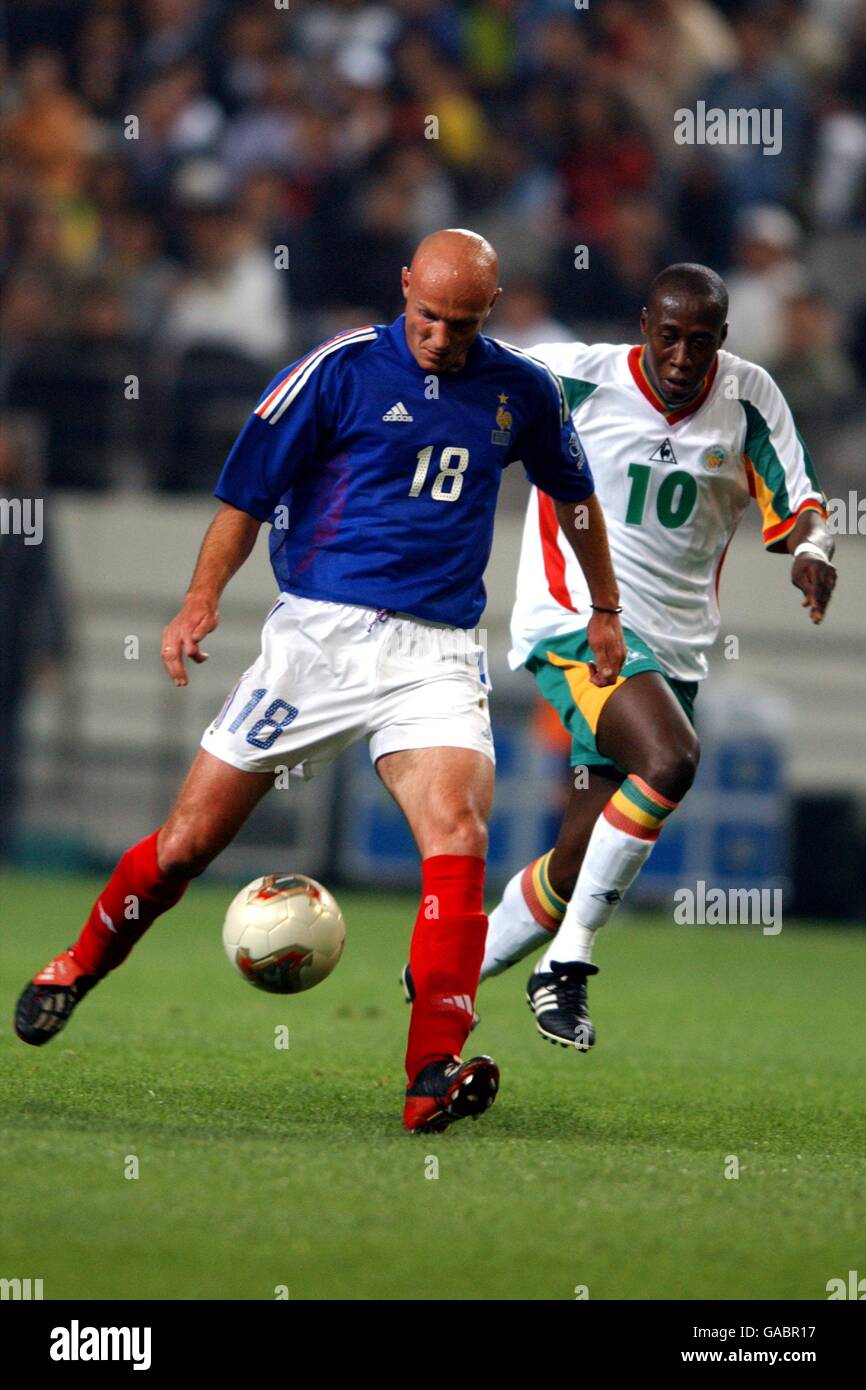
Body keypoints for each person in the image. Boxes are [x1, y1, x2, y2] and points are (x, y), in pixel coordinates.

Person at [14, 229, 626, 1133]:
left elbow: (573, 495)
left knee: (456, 836)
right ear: (404, 286)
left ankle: (431, 1076)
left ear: (488, 313)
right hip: (316, 644)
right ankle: (76, 965)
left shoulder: (520, 391)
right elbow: (245, 499)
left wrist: (605, 608)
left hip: (438, 652)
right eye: (427, 316)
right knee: (185, 845)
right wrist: (198, 603)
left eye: (461, 325)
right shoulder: (335, 372)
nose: (440, 339)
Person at [477, 263, 837, 1049]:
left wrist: (815, 547)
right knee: (672, 760)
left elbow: (803, 504)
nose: (681, 357)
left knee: (573, 863)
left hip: (673, 651)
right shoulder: (575, 379)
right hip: (576, 623)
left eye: (699, 342)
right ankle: (565, 967)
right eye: (669, 337)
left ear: (722, 341)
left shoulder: (748, 400)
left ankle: (444, 976)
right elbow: (468, 387)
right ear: (645, 326)